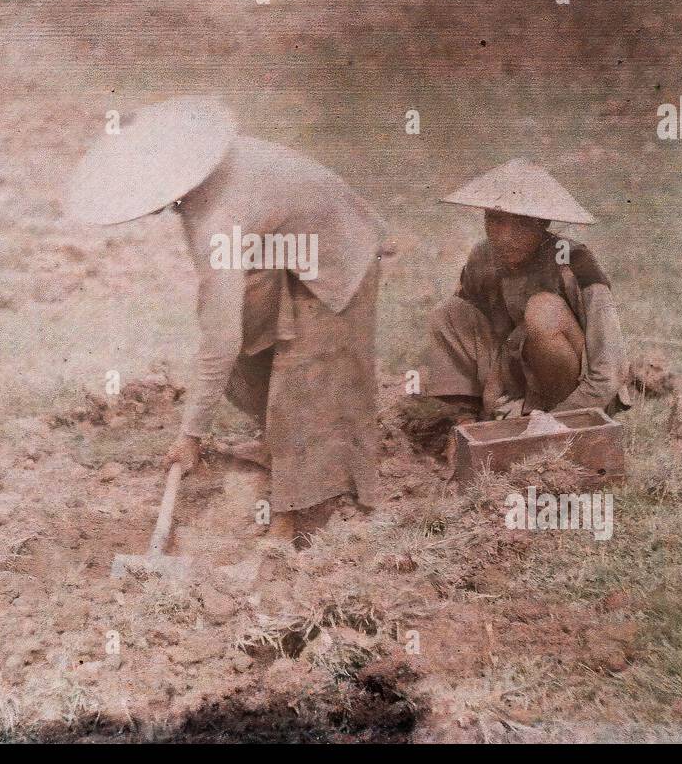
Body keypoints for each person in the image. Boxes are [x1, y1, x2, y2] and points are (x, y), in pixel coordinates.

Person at [65, 97, 388, 545]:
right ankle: (282, 446)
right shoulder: (204, 183)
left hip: (338, 252)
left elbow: (220, 339)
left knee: (300, 374)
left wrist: (191, 435)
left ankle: (290, 516)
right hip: (284, 250)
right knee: (247, 352)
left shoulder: (217, 217)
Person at [421, 158, 631, 422]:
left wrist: (558, 422)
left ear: (542, 223)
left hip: (575, 394)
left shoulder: (575, 261)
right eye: (496, 220)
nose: (505, 236)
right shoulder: (484, 257)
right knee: (449, 313)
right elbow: (471, 333)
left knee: (544, 310)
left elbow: (609, 371)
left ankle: (549, 420)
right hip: (515, 377)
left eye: (521, 223)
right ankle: (467, 418)